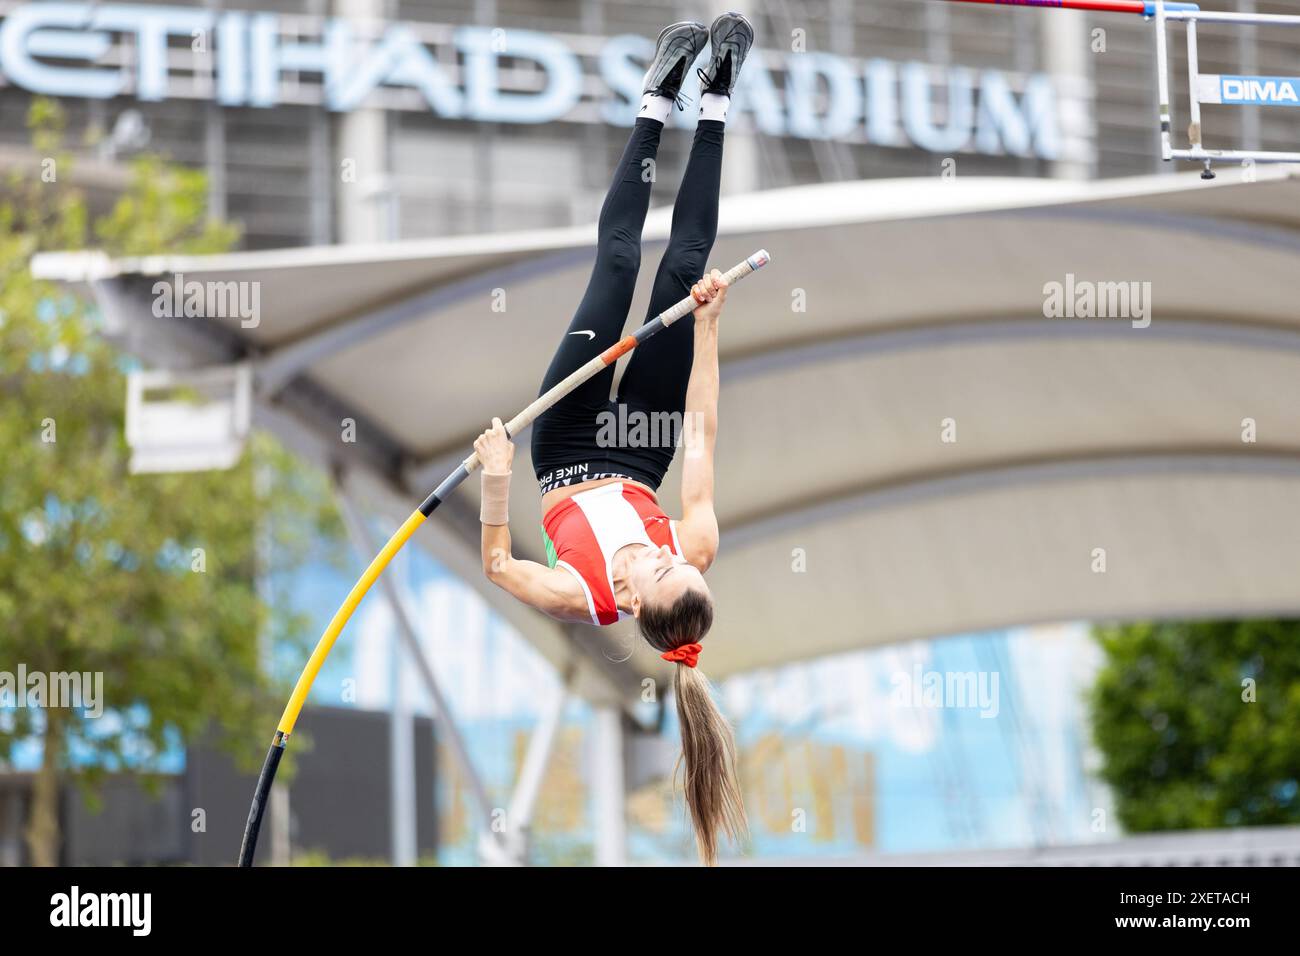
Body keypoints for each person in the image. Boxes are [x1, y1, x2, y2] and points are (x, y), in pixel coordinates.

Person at [472, 14, 754, 866]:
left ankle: (653, 100)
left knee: (620, 266)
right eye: (680, 563)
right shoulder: (694, 546)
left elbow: (498, 566)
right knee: (686, 267)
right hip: (642, 444)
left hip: (560, 442)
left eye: (662, 570)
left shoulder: (583, 596)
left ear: (634, 603)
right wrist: (707, 329)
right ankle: (714, 100)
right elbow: (700, 435)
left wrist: (497, 475)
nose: (668, 555)